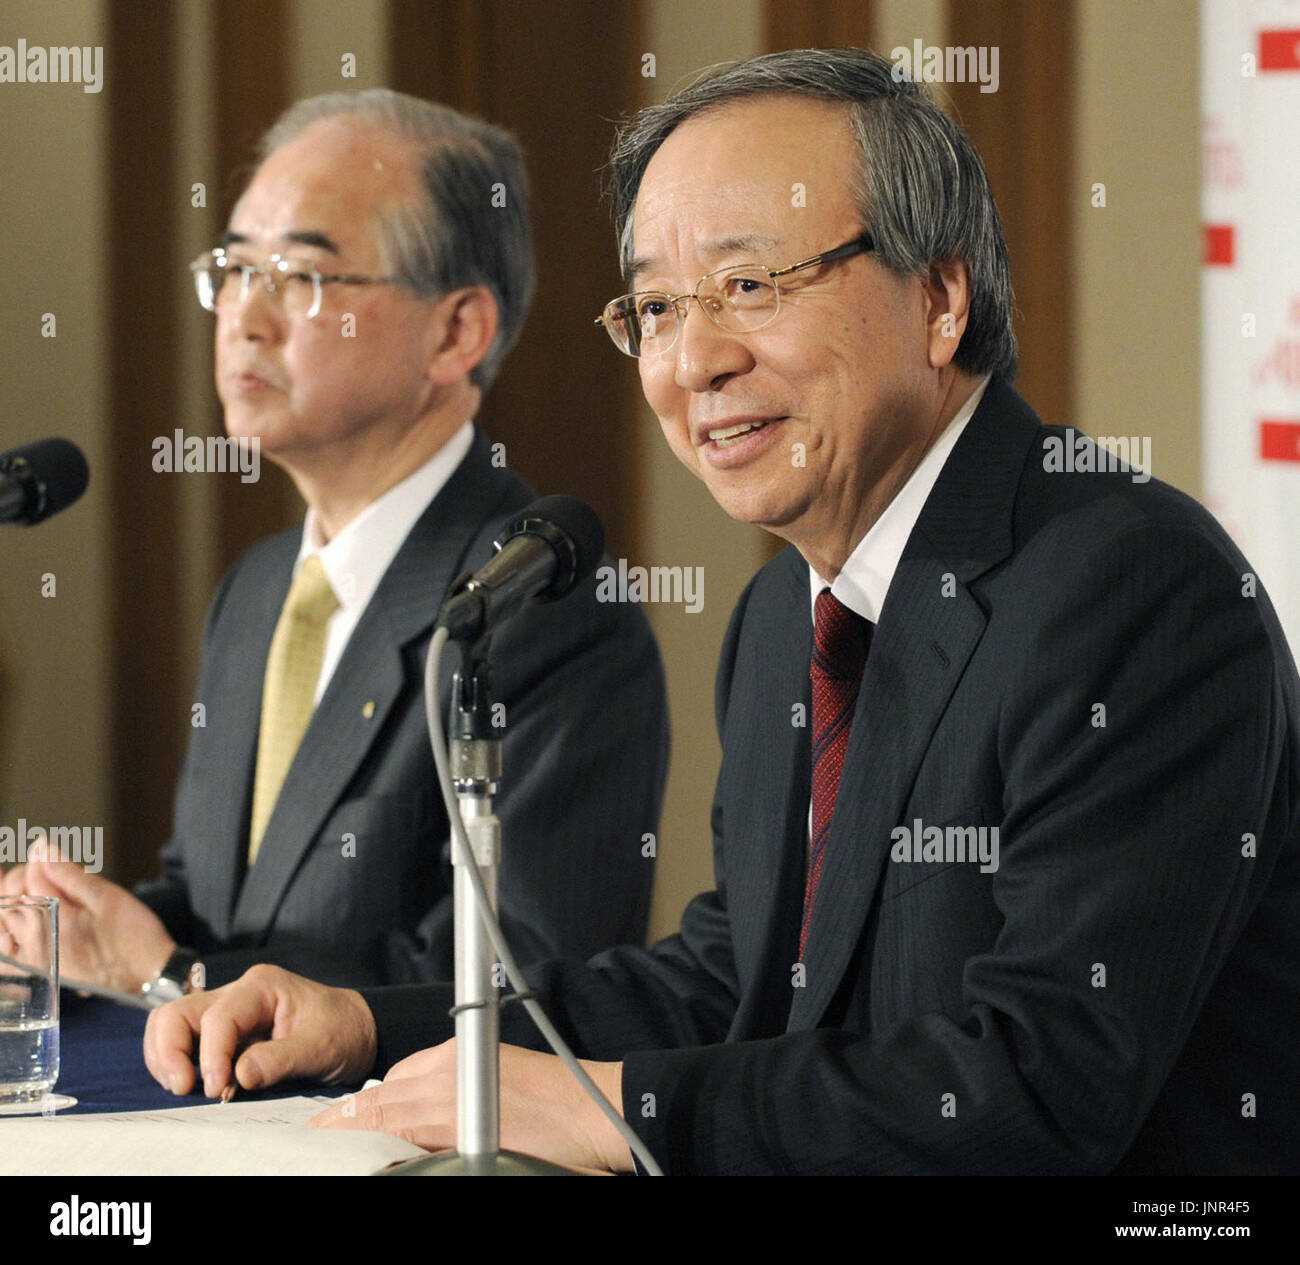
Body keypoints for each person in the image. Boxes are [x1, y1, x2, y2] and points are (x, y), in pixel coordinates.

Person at [142, 51, 1300, 1175]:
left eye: (749, 285)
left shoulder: (1132, 586)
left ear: (940, 297)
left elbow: (1045, 1081)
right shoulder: (776, 616)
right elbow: (729, 977)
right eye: (652, 305)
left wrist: (618, 1106)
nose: (691, 357)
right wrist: (365, 1022)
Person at [2, 90, 669, 993]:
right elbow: (217, 899)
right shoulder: (258, 586)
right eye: (234, 269)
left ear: (455, 331)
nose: (244, 315)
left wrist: (169, 973)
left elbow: (515, 981)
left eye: (302, 276)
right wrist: (75, 930)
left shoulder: (543, 602)